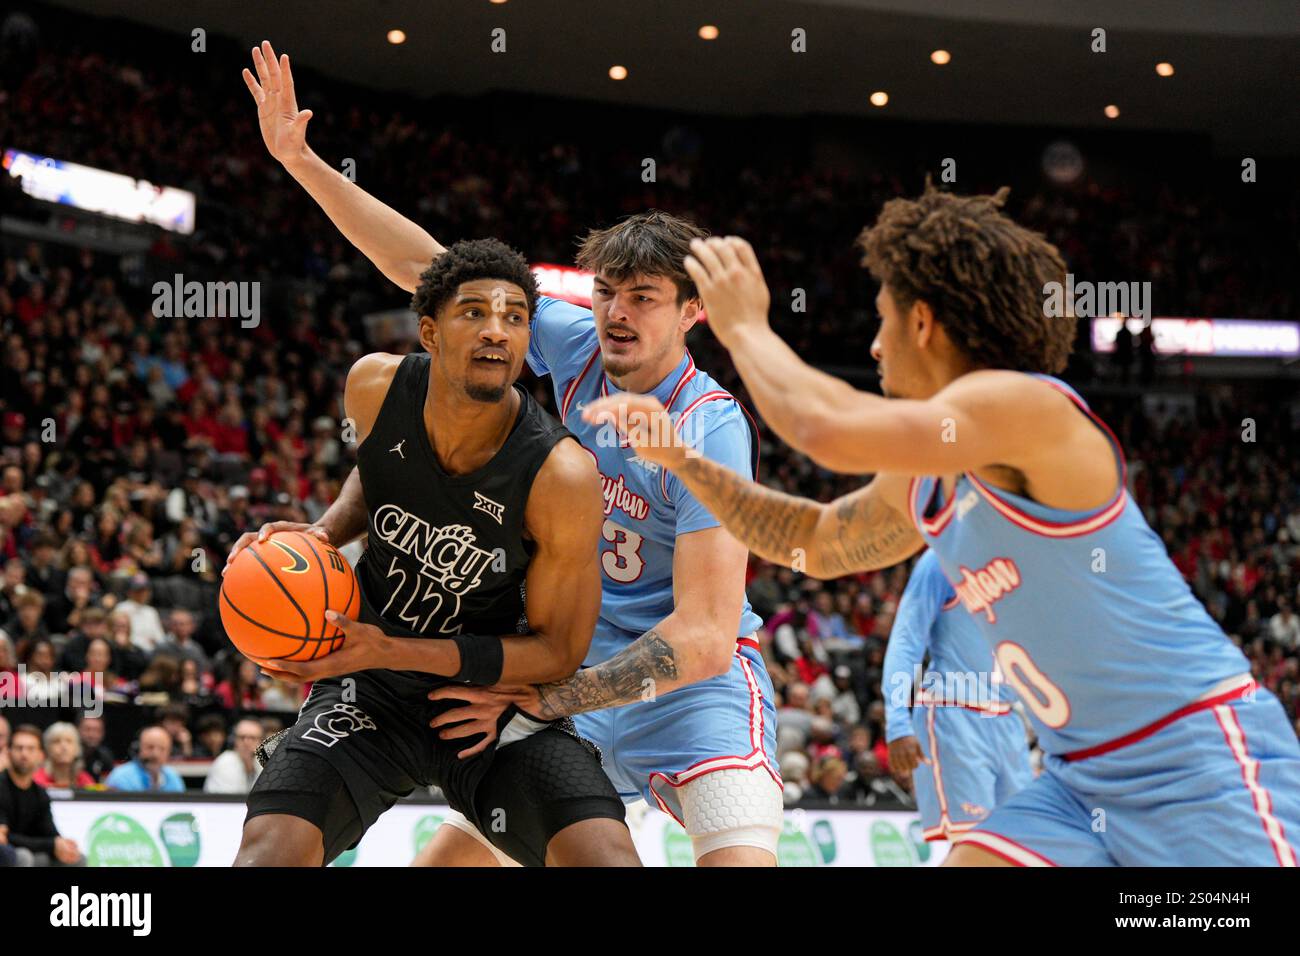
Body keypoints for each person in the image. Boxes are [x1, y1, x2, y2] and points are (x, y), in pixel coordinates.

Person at [585, 186, 1300, 867]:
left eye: (882, 320)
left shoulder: (1027, 409)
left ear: (922, 323)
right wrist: (687, 462)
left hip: (1198, 758)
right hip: (1078, 778)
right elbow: (821, 542)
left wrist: (744, 328)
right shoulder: (932, 468)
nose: (873, 347)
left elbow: (823, 427)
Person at [242, 42, 781, 866]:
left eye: (643, 299)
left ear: (691, 314)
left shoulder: (709, 429)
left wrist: (541, 693)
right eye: (606, 293)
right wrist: (302, 160)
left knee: (738, 858)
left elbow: (704, 636)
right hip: (564, 661)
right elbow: (424, 266)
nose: (618, 315)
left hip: (684, 691)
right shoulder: (568, 341)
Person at [224, 232, 637, 868]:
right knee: (266, 858)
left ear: (529, 343)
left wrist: (392, 647)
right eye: (473, 312)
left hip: (487, 704)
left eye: (515, 318)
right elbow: (378, 474)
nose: (496, 331)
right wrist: (321, 535)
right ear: (429, 332)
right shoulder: (373, 388)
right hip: (369, 690)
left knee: (605, 862)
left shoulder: (561, 475)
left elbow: (560, 651)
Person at [882, 549, 1031, 844]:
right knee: (972, 846)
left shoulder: (1029, 558)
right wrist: (897, 721)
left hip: (1008, 718)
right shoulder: (943, 558)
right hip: (954, 712)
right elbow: (906, 639)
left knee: (1019, 846)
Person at [0, 725, 85, 865]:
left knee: (76, 859)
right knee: (23, 856)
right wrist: (51, 845)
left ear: (41, 755)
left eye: (30, 749)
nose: (24, 754)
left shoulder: (40, 793)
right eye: (19, 748)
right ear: (8, 752)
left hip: (32, 851)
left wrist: (62, 844)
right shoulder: (1, 787)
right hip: (8, 854)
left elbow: (50, 832)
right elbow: (4, 838)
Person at [104, 726, 185, 793]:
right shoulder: (121, 776)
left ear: (169, 752)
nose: (155, 754)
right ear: (139, 748)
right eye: (150, 747)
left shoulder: (173, 777)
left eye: (162, 749)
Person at [204, 719, 264, 795]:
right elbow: (231, 801)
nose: (246, 742)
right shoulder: (224, 762)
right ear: (235, 740)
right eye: (242, 737)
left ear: (261, 741)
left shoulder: (262, 763)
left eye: (252, 738)